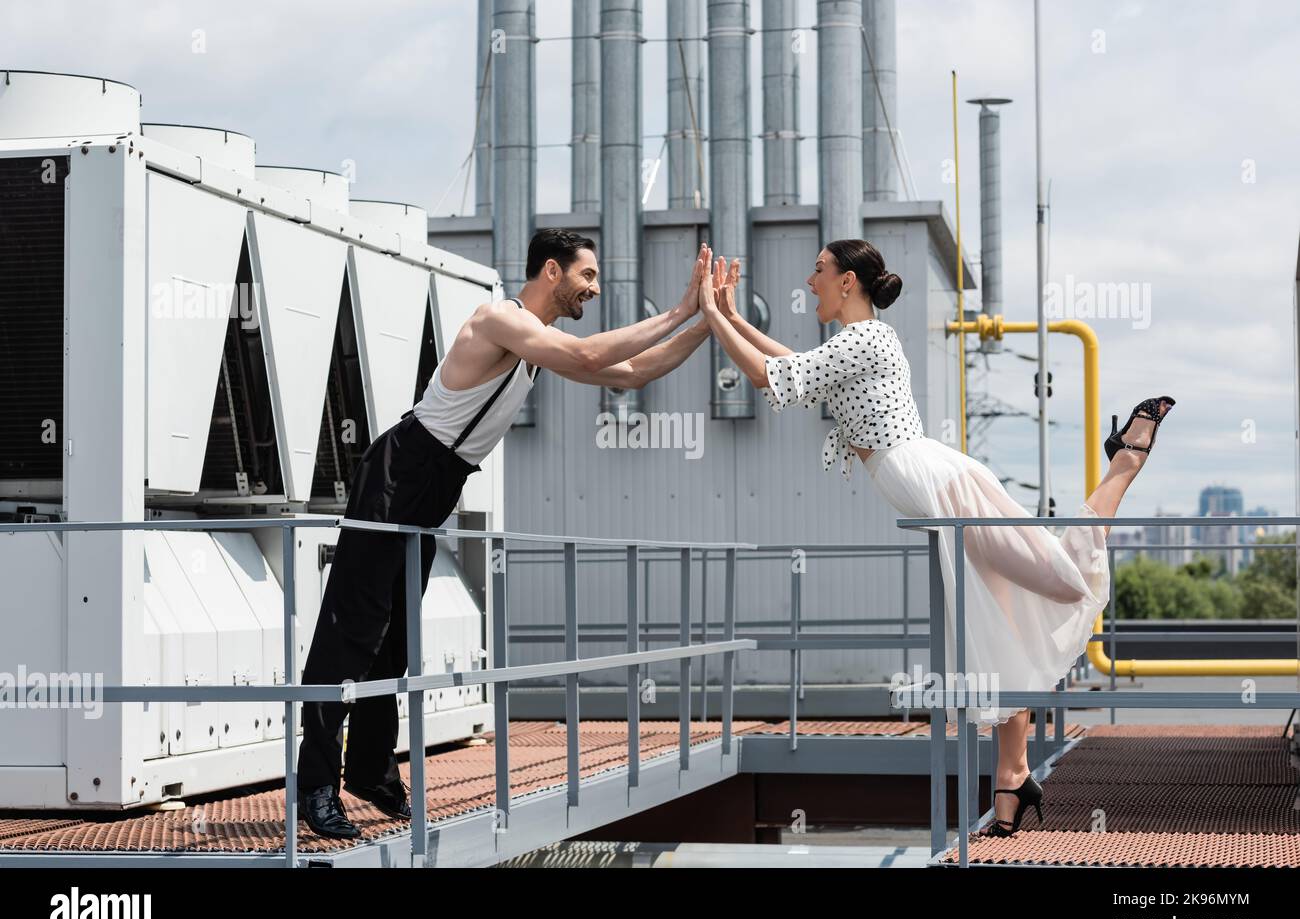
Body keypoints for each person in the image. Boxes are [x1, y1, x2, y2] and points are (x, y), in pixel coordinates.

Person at [696, 240, 1174, 839]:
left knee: (1057, 579)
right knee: (1004, 612)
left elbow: (775, 374)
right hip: (934, 490)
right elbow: (794, 369)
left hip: (945, 486)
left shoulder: (867, 336)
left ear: (848, 282)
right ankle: (1013, 778)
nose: (808, 279)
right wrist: (733, 318)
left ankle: (1124, 463)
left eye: (818, 270)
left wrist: (714, 317)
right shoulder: (852, 343)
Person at [296, 228, 713, 839]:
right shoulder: (499, 321)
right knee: (349, 635)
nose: (593, 290)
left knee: (395, 641)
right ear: (552, 270)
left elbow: (632, 375)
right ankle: (314, 787)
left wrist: (707, 321)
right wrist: (679, 309)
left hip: (433, 488)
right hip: (398, 473)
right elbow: (594, 358)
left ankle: (370, 770)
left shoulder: (540, 343)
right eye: (587, 277)